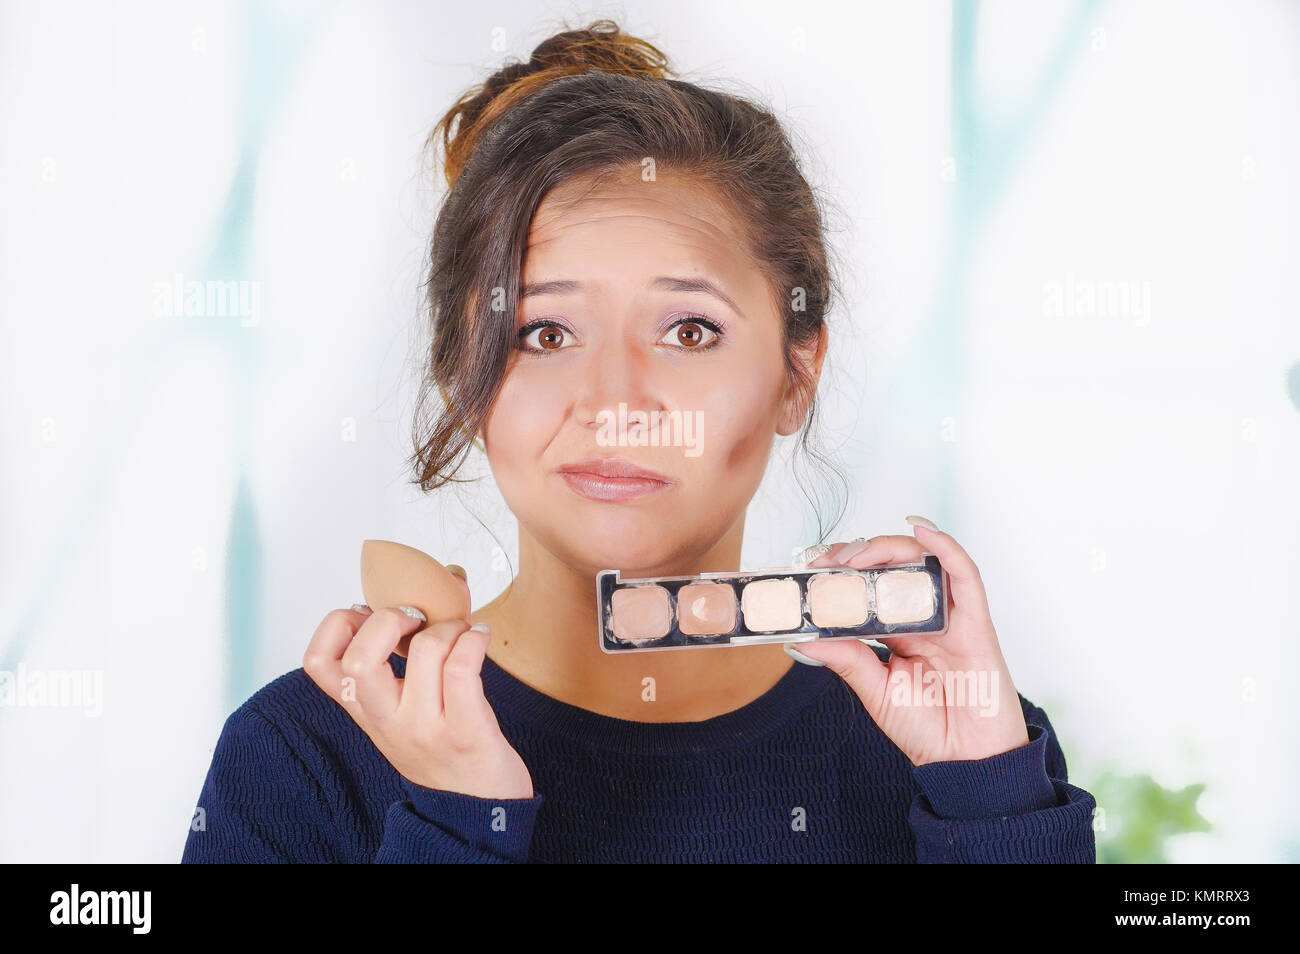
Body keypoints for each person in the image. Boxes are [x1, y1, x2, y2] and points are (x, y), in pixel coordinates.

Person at [182, 19, 1096, 863]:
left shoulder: (949, 752)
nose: (614, 403)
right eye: (546, 333)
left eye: (689, 331)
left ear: (797, 372)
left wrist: (990, 801)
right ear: (465, 376)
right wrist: (460, 822)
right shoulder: (304, 757)